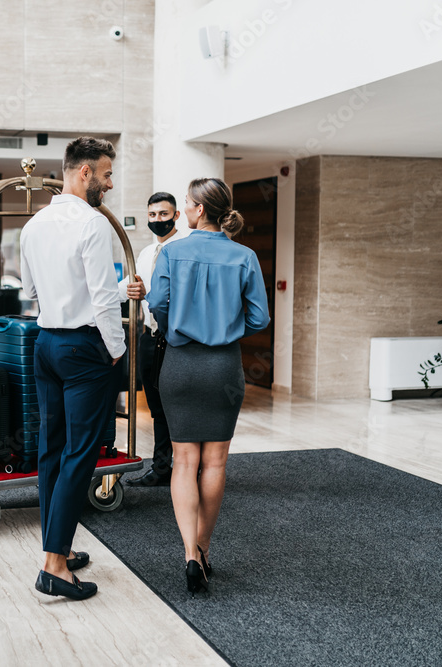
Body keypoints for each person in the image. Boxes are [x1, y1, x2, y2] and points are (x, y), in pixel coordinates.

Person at [20, 136, 144, 601]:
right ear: (85, 171)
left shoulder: (34, 224)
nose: (110, 184)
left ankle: (59, 548)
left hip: (46, 344)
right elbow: (104, 298)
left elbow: (30, 291)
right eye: (107, 174)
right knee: (79, 454)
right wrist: (116, 349)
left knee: (51, 450)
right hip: (85, 349)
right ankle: (54, 567)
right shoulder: (93, 224)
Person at [147, 177, 270, 595]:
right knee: (214, 463)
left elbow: (157, 304)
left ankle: (188, 555)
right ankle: (203, 548)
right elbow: (259, 318)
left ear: (199, 210)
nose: (183, 209)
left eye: (186, 203)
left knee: (184, 461)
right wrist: (227, 329)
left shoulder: (171, 252)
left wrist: (177, 328)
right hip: (223, 368)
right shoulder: (244, 256)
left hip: (180, 365)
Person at [120, 192, 182, 487]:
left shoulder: (184, 250)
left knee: (177, 406)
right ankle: (161, 468)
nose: (158, 220)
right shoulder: (146, 253)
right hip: (149, 337)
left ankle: (187, 467)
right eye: (153, 215)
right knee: (156, 407)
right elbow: (130, 285)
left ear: (176, 216)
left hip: (176, 339)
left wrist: (149, 294)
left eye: (164, 214)